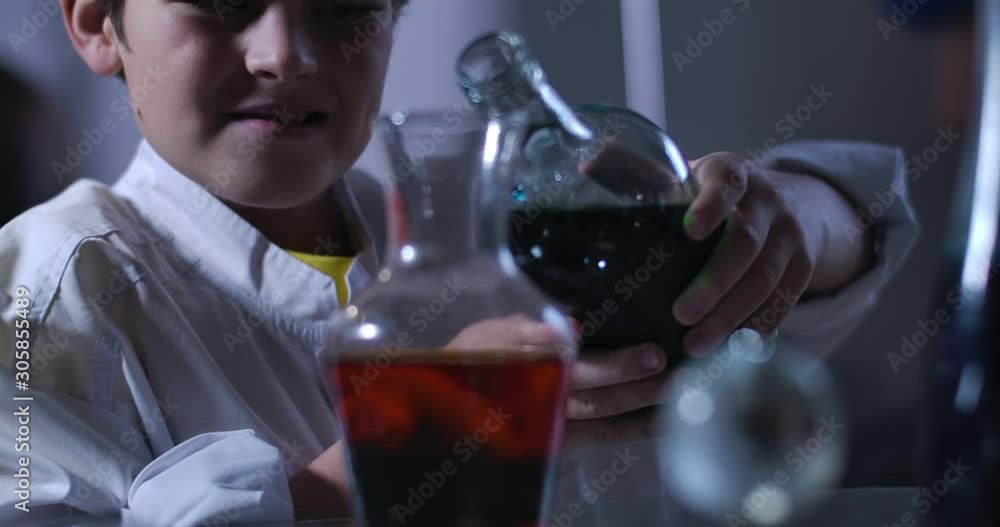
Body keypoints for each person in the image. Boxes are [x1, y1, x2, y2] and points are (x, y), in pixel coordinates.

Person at [0, 0, 919, 525]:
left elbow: (866, 213)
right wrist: (388, 454)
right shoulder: (39, 311)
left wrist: (784, 215)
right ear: (94, 22)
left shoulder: (495, 217)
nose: (288, 51)